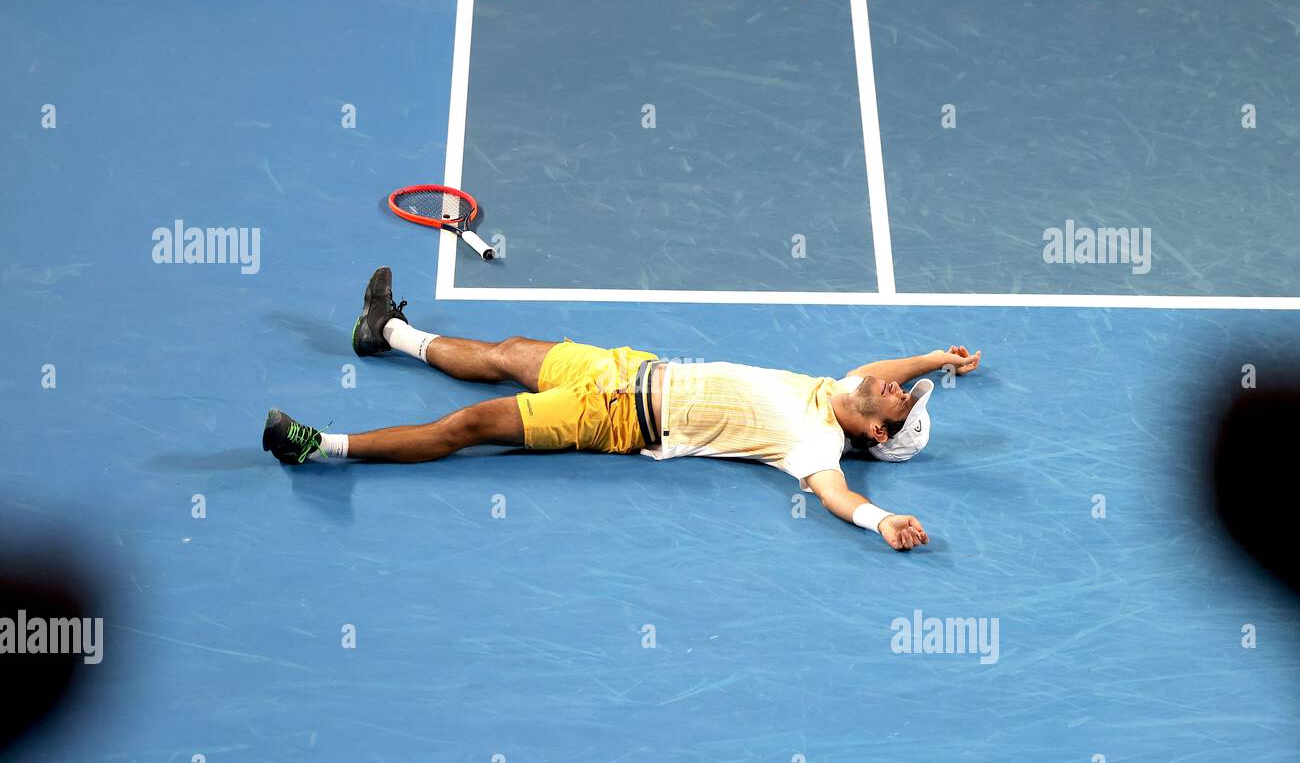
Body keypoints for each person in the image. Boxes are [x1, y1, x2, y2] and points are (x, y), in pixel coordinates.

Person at [263, 268, 982, 551]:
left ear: (877, 431)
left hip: (613, 420)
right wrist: (934, 360)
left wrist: (881, 519)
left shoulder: (816, 443)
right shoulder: (836, 388)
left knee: (469, 427)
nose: (896, 386)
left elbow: (835, 495)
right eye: (901, 387)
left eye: (900, 401)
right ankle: (387, 331)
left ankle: (320, 446)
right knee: (509, 351)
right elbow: (882, 372)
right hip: (626, 367)